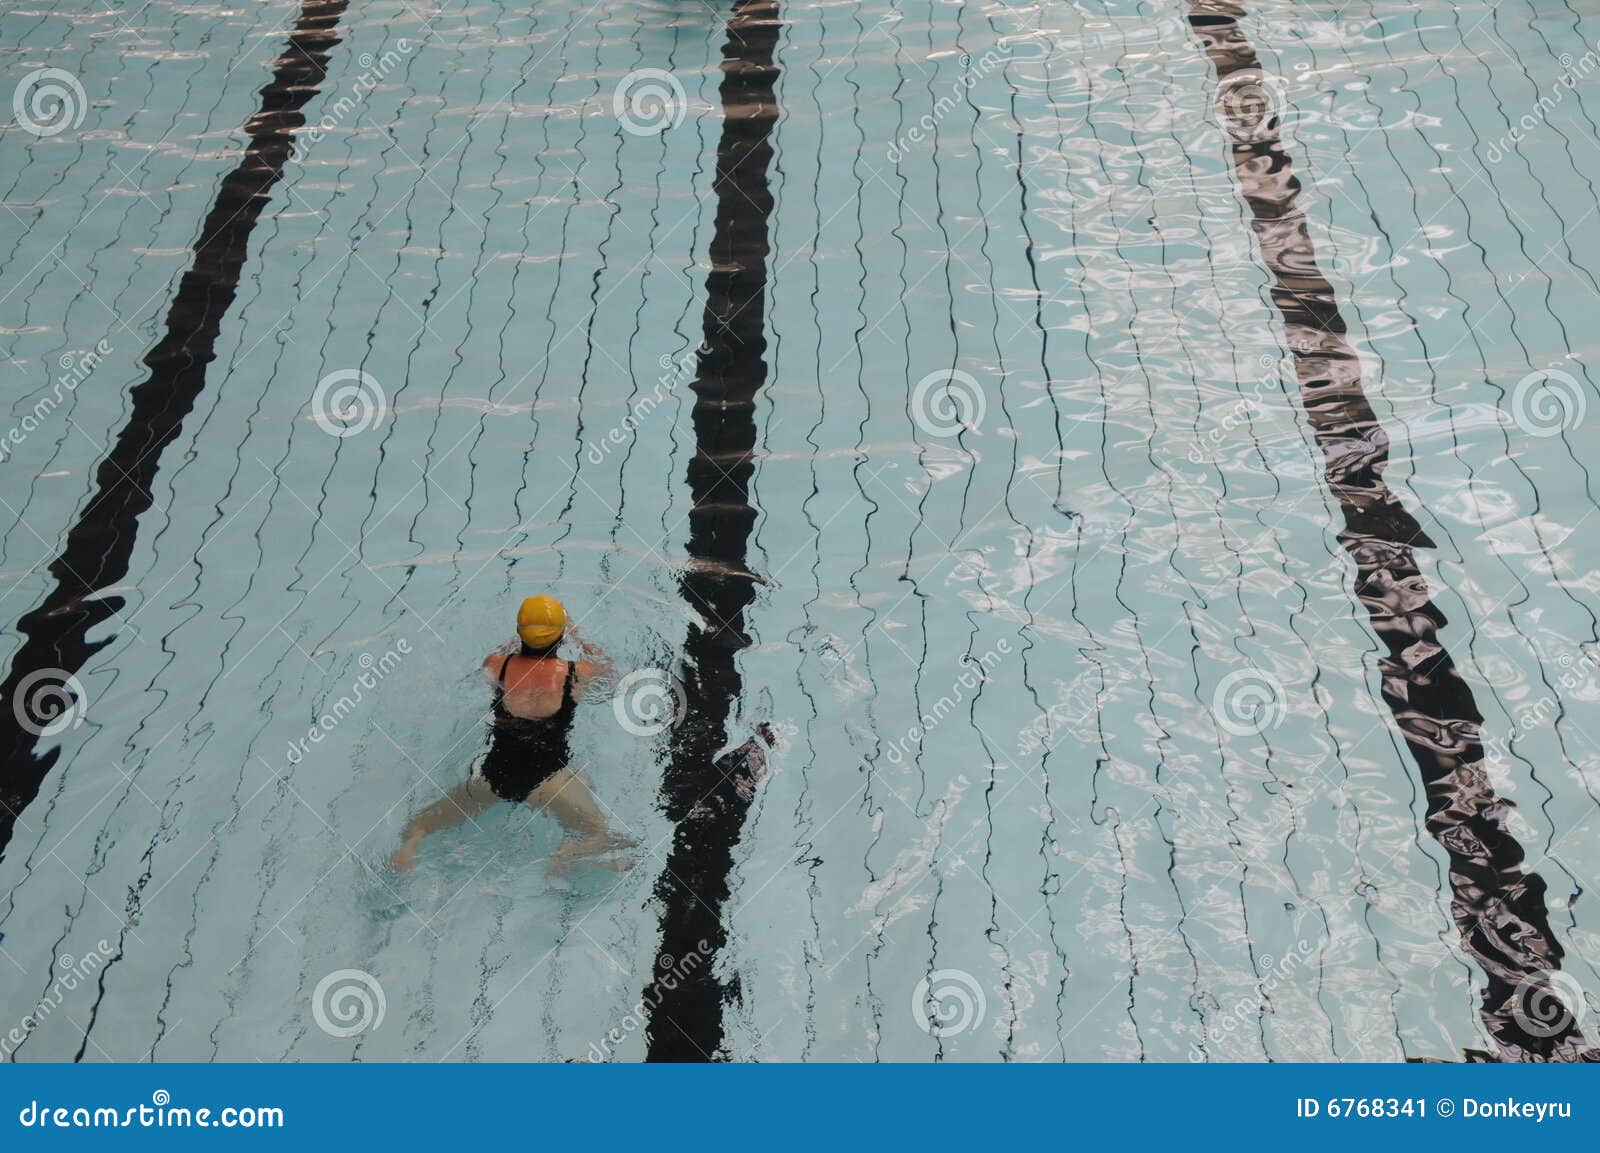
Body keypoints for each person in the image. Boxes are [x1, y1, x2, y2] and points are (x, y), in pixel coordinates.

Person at [390, 596, 631, 874]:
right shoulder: (577, 673)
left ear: (519, 632)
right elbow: (613, 674)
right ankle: (566, 857)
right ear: (561, 635)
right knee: (598, 834)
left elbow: (494, 662)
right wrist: (576, 632)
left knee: (419, 824)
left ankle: (407, 852)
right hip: (549, 780)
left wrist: (516, 639)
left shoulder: (496, 665)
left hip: (496, 777)